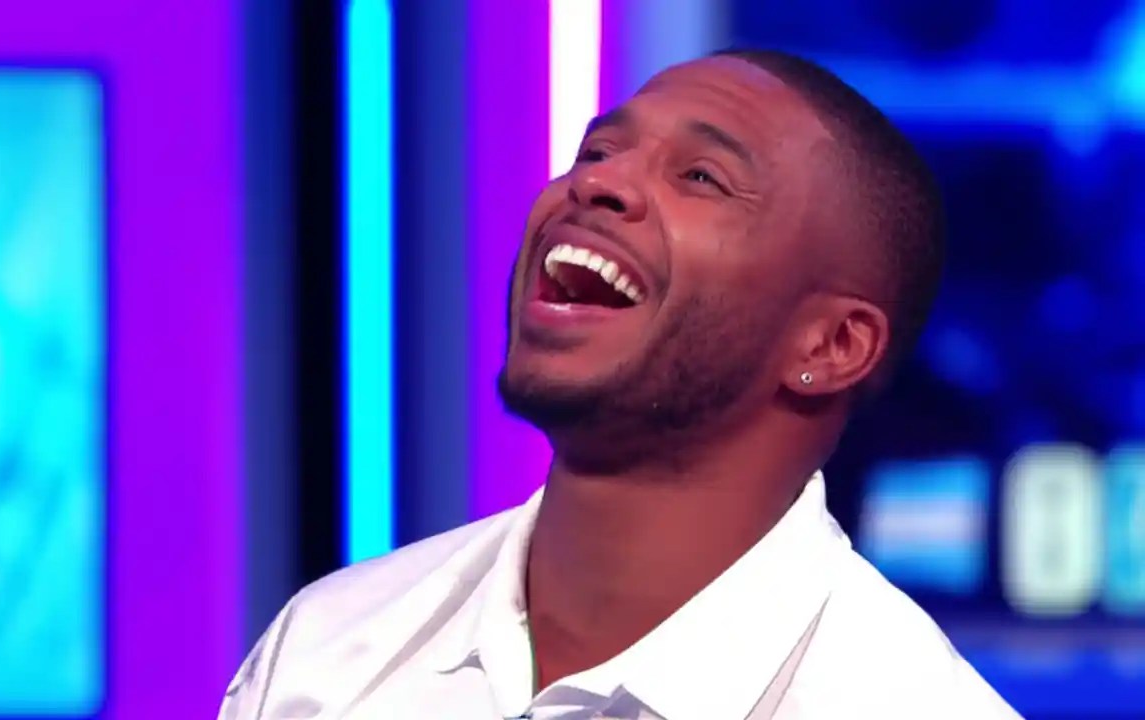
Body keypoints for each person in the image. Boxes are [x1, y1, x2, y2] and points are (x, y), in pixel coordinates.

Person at [220, 49, 1022, 719]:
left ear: (832, 344)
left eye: (702, 178)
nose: (595, 185)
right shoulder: (326, 654)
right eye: (597, 152)